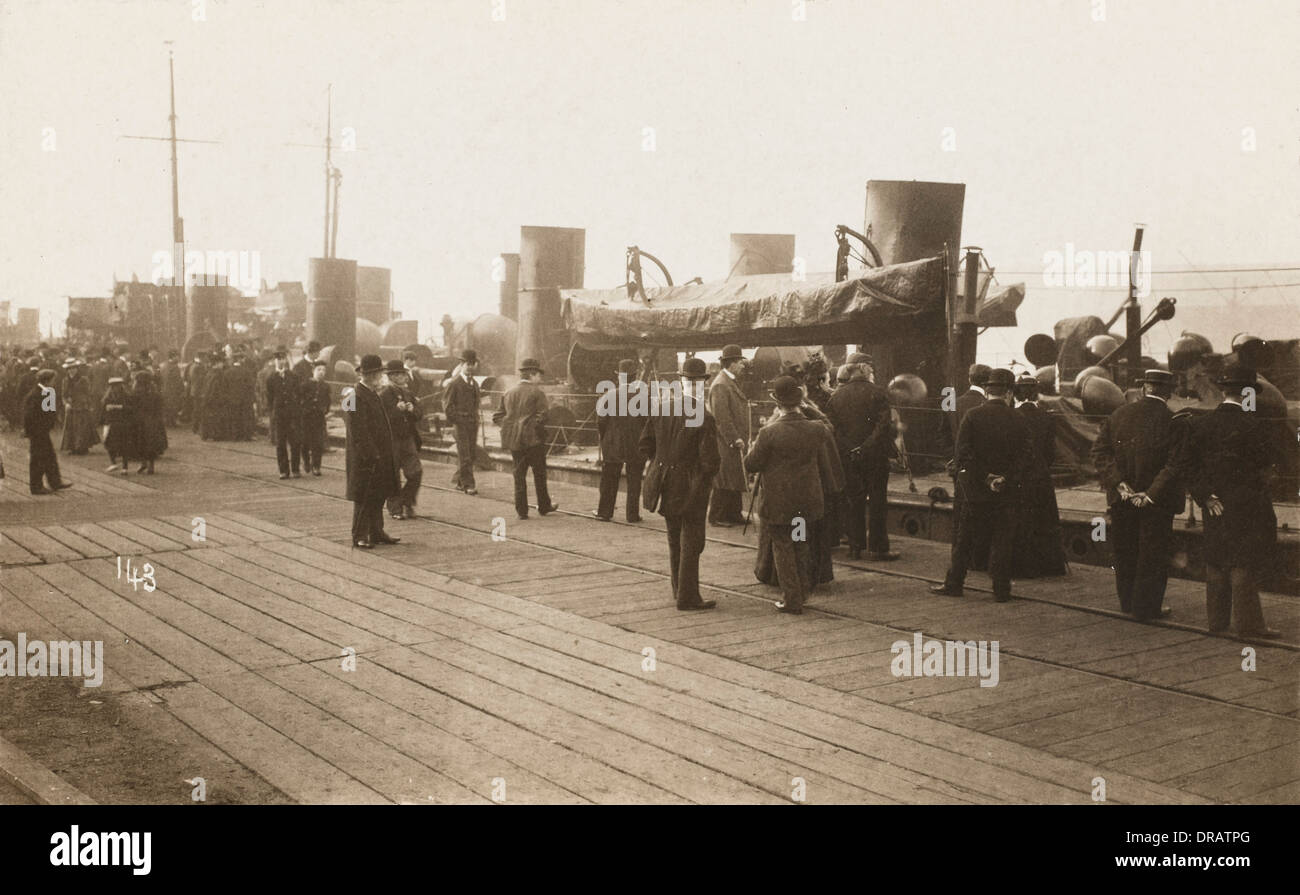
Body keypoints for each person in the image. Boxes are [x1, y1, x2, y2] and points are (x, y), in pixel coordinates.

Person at [1178, 363, 1280, 637]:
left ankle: (1217, 623)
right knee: (1243, 562)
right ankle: (1250, 626)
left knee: (1216, 559)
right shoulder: (1254, 426)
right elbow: (1267, 467)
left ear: (1223, 391)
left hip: (1215, 505)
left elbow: (1186, 465)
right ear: (1247, 394)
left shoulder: (1201, 424)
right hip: (1247, 506)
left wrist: (1205, 496)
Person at [930, 368, 1031, 602]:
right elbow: (1026, 456)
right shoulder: (1019, 418)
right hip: (1006, 491)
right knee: (1002, 539)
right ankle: (1001, 590)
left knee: (964, 538)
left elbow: (962, 453)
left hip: (975, 490)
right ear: (1008, 393)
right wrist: (1005, 478)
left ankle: (954, 583)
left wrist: (986, 477)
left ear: (987, 391)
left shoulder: (972, 416)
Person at [1089, 369, 1182, 619]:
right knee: (1153, 553)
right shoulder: (1174, 421)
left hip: (1123, 497)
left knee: (1125, 549)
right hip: (1156, 501)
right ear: (1169, 392)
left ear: (1144, 388)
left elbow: (1099, 452)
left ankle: (1127, 602)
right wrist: (1150, 493)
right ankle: (1147, 607)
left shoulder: (1118, 414)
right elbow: (1174, 464)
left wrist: (1119, 484)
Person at [745, 376, 835, 614]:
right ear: (799, 399)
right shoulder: (815, 429)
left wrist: (752, 446)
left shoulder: (769, 432)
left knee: (783, 547)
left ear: (777, 402)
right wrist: (807, 406)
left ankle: (792, 599)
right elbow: (828, 424)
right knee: (801, 543)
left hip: (779, 503)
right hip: (806, 501)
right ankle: (803, 593)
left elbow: (751, 464)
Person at [639, 357, 720, 611]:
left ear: (682, 381)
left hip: (663, 482)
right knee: (693, 541)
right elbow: (710, 461)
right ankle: (688, 597)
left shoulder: (662, 408)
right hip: (691, 484)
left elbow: (645, 444)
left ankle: (678, 589)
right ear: (701, 384)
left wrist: (662, 462)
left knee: (675, 538)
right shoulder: (703, 416)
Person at [827, 362, 898, 561]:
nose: (873, 374)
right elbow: (883, 425)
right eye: (872, 371)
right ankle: (878, 548)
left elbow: (834, 429)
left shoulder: (836, 397)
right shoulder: (879, 393)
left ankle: (855, 547)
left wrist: (852, 448)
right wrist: (866, 446)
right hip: (875, 456)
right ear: (865, 372)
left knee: (853, 502)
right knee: (877, 501)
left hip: (849, 457)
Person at [343, 355, 400, 548]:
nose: (380, 376)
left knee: (378, 494)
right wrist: (371, 454)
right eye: (377, 373)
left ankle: (376, 532)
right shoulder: (354, 395)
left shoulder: (372, 393)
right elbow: (357, 431)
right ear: (368, 375)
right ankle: (359, 535)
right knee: (363, 496)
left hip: (379, 455)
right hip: (365, 457)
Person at [1013, 373, 1066, 577]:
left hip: (1018, 477)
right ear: (1036, 394)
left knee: (1020, 520)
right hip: (1041, 476)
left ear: (1016, 393)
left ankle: (1023, 568)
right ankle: (1049, 566)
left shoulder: (1013, 416)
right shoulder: (1047, 417)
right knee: (1044, 521)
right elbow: (1050, 453)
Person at [941, 363, 992, 570]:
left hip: (959, 468)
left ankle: (959, 558)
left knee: (960, 512)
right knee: (982, 512)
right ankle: (978, 559)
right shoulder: (986, 405)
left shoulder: (953, 402)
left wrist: (952, 458)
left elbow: (942, 434)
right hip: (983, 469)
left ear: (970, 379)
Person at [493, 358, 557, 519]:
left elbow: (497, 416)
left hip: (515, 442)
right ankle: (544, 506)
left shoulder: (509, 392)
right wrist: (531, 427)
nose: (540, 379)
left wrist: (510, 427)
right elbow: (544, 416)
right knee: (539, 474)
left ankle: (522, 511)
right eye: (538, 375)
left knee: (519, 475)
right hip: (534, 441)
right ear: (532, 375)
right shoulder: (537, 393)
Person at [593, 358, 646, 522]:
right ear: (635, 377)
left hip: (612, 443)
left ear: (619, 377)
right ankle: (632, 514)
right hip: (636, 444)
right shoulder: (643, 396)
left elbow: (600, 422)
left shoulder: (608, 395)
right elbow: (648, 422)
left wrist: (605, 439)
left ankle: (604, 512)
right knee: (635, 479)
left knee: (609, 478)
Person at [707, 344, 749, 527]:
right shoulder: (721, 385)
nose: (743, 365)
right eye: (740, 362)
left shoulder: (728, 382)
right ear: (731, 363)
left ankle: (733, 513)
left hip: (731, 440)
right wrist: (734, 438)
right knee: (724, 478)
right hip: (726, 441)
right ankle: (716, 515)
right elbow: (721, 418)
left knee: (735, 475)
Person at [381, 359, 424, 519]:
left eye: (403, 374)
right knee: (393, 475)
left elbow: (420, 414)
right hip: (391, 440)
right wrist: (395, 410)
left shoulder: (408, 393)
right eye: (399, 374)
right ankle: (395, 509)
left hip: (407, 439)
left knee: (416, 472)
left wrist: (413, 410)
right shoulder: (384, 394)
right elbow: (379, 418)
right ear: (391, 377)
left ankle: (406, 500)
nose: (403, 377)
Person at [24, 369, 72, 494]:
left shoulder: (45, 392)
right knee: (38, 458)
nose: (54, 382)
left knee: (50, 456)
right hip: (38, 432)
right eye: (53, 380)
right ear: (46, 380)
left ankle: (55, 482)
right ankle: (36, 486)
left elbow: (48, 412)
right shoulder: (37, 394)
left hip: (42, 431)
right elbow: (31, 416)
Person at [443, 348, 481, 494]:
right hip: (461, 423)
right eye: (467, 364)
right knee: (465, 455)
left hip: (473, 423)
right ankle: (468, 485)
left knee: (471, 454)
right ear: (462, 365)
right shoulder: (454, 383)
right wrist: (458, 420)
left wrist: (475, 419)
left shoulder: (475, 384)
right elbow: (447, 406)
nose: (470, 366)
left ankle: (459, 481)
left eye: (473, 364)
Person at [266, 349, 304, 479]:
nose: (281, 361)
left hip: (292, 415)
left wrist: (297, 410)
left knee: (295, 442)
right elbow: (269, 397)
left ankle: (295, 469)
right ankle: (283, 470)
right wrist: (273, 412)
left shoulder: (293, 377)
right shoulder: (271, 378)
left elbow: (299, 394)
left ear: (286, 360)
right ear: (274, 361)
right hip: (279, 415)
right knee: (280, 443)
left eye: (283, 359)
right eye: (278, 359)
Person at [59, 359, 100, 455]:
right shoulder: (65, 380)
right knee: (71, 428)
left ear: (77, 369)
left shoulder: (83, 379)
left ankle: (82, 447)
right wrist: (66, 403)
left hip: (82, 406)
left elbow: (88, 392)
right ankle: (73, 447)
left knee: (82, 428)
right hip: (71, 407)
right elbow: (63, 394)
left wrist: (87, 402)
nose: (71, 370)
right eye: (69, 369)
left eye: (73, 368)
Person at [131, 370, 167, 473]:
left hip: (140, 421)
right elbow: (160, 407)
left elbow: (133, 407)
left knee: (140, 443)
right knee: (151, 444)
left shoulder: (136, 393)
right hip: (154, 422)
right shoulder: (155, 393)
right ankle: (151, 465)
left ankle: (143, 463)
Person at [100, 376, 136, 474]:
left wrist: (118, 407)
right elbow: (103, 408)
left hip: (122, 423)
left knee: (123, 445)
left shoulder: (126, 396)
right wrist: (107, 408)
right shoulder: (108, 397)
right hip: (111, 422)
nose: (115, 388)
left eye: (117, 386)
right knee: (108, 443)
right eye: (113, 386)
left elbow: (131, 409)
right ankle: (113, 463)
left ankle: (125, 467)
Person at [301, 361, 331, 475]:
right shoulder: (305, 385)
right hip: (306, 417)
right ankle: (306, 462)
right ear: (313, 371)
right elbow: (300, 399)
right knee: (305, 442)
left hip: (318, 418)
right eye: (319, 370)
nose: (321, 372)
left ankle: (316, 466)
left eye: (323, 370)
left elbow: (328, 401)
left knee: (318, 442)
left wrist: (325, 410)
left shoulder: (326, 386)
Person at [160, 350, 184, 426]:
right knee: (173, 406)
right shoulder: (174, 367)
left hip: (165, 389)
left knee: (168, 405)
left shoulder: (164, 365)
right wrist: (181, 389)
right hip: (173, 390)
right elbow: (178, 380)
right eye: (177, 356)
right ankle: (171, 421)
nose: (178, 358)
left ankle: (168, 421)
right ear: (173, 357)